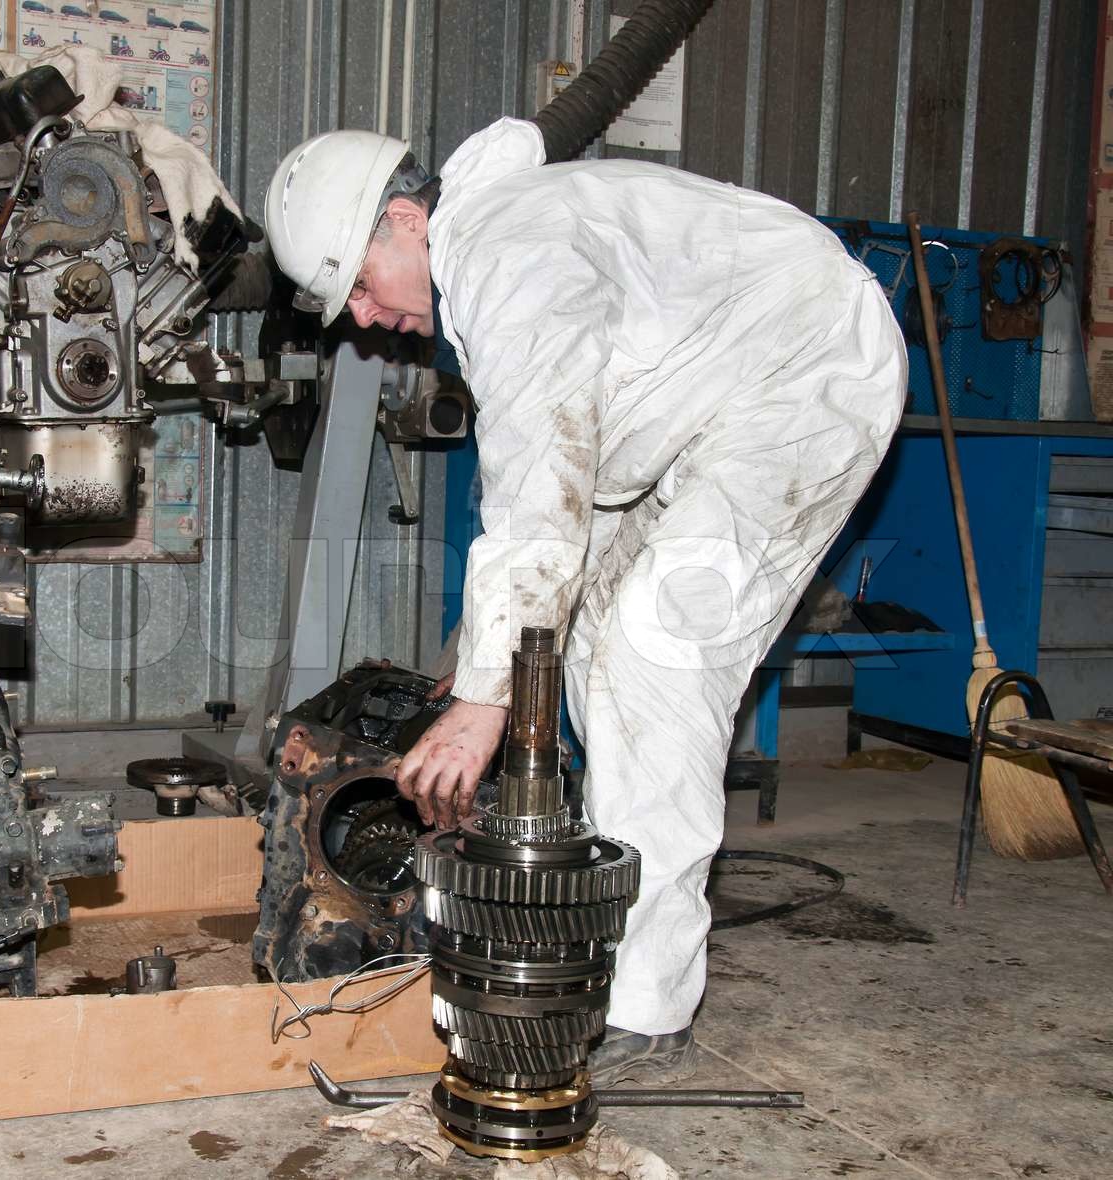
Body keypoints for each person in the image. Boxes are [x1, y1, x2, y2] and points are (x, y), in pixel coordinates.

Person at [262, 120, 905, 1087]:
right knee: (595, 643)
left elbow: (540, 489)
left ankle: (649, 1006)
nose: (362, 316)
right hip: (705, 405)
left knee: (654, 660)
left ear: (405, 220)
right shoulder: (493, 252)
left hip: (801, 384)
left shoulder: (507, 256)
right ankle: (606, 927)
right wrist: (476, 664)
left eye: (358, 282)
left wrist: (483, 708)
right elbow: (562, 495)